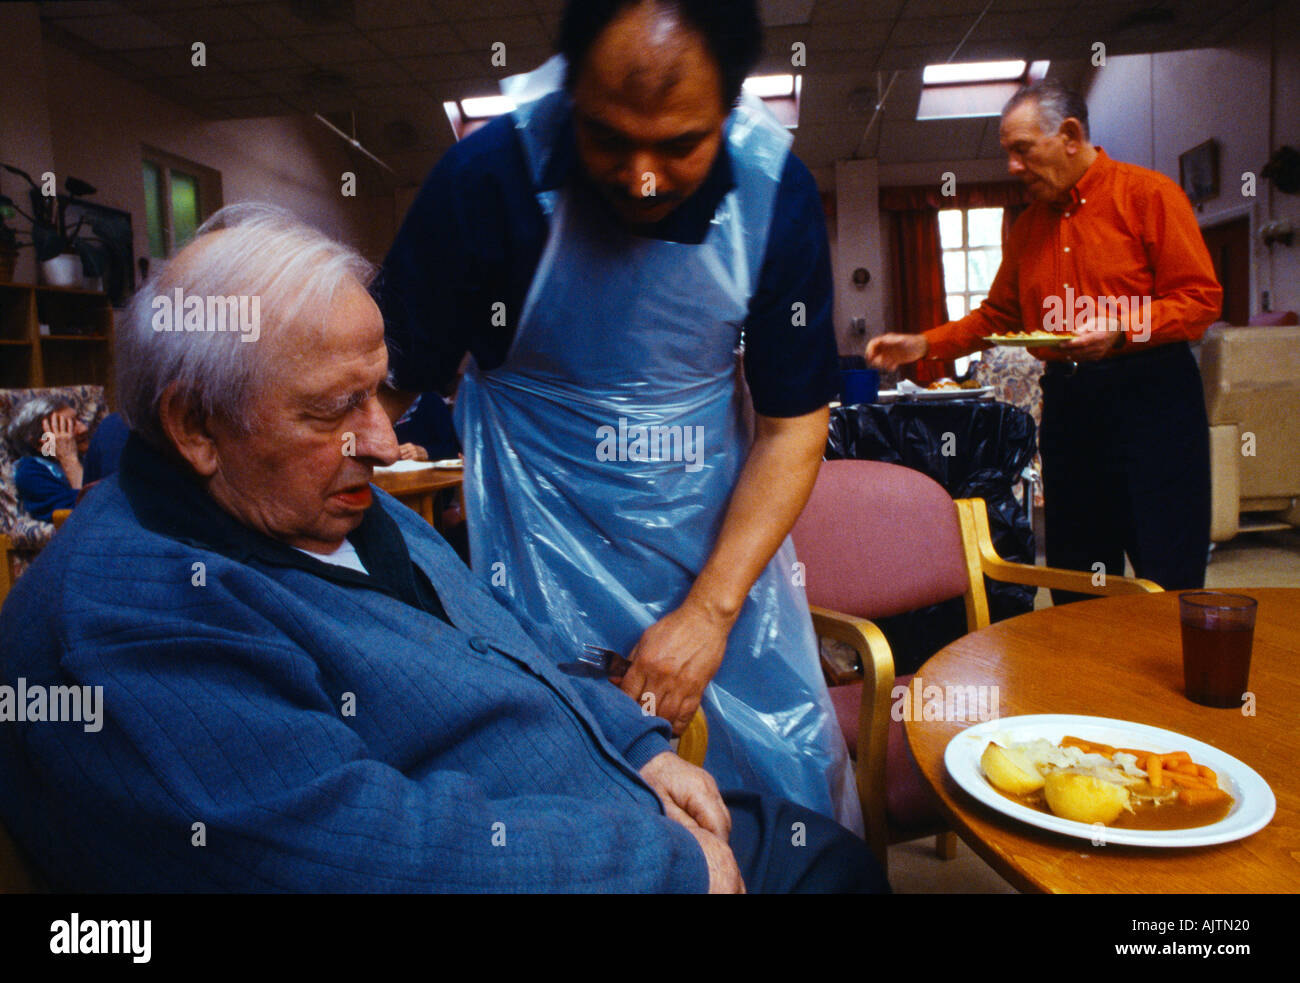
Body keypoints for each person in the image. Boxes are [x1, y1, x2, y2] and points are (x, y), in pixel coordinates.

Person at [0, 203, 885, 894]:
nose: (385, 443)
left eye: (376, 392)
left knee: (827, 852)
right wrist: (667, 867)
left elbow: (513, 649)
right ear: (194, 423)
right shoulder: (124, 617)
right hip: (587, 862)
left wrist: (637, 745)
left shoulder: (323, 503)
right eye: (333, 409)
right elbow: (349, 860)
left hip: (607, 802)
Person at [377, 0, 858, 828]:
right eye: (608, 138)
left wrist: (709, 614)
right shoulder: (484, 181)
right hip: (537, 541)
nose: (643, 175)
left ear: (731, 107)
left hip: (714, 547)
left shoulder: (774, 194)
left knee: (778, 776)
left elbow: (791, 424)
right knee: (562, 790)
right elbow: (381, 386)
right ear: (569, 97)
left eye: (680, 146)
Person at [867, 80, 1222, 599]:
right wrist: (923, 345)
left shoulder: (1149, 195)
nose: (1011, 166)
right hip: (1071, 404)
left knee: (1166, 569)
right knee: (1078, 570)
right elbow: (997, 316)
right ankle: (1081, 677)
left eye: (1021, 150)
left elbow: (1199, 300)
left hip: (1154, 400)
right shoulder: (1028, 226)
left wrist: (1121, 332)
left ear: (1070, 136)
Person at [6, 395, 88, 521]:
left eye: (78, 420)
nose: (83, 429)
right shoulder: (31, 474)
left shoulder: (88, 457)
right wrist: (69, 459)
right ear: (40, 444)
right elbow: (87, 510)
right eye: (68, 426)